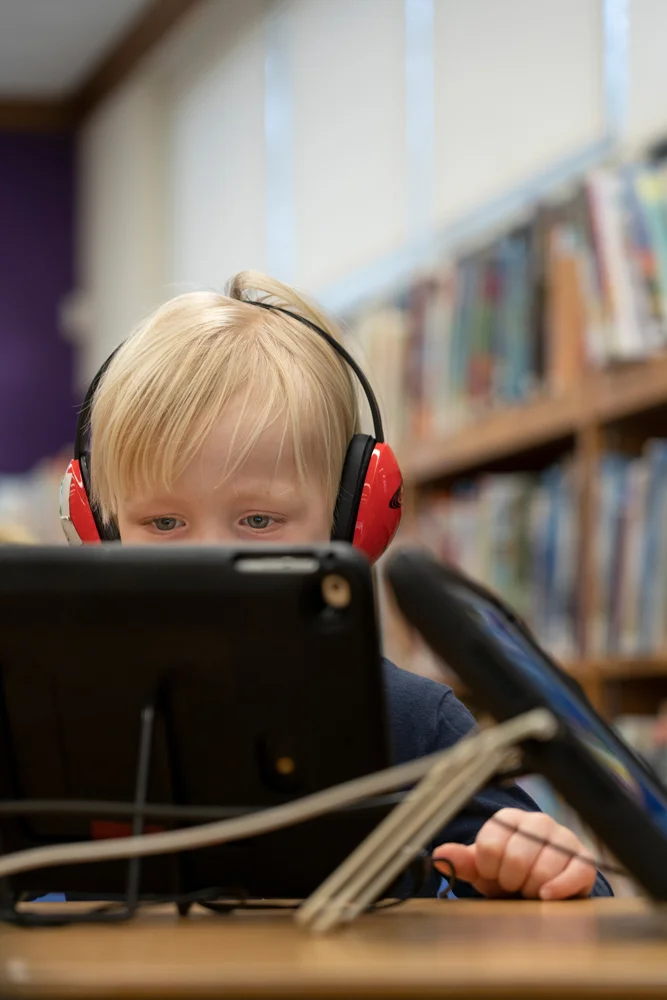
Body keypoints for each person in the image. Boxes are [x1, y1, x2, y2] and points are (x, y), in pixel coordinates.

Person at [63, 271, 612, 900]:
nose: (207, 563)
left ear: (353, 520)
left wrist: (531, 872)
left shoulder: (411, 725)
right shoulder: (56, 720)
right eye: (164, 522)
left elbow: (572, 901)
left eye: (258, 520)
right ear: (100, 532)